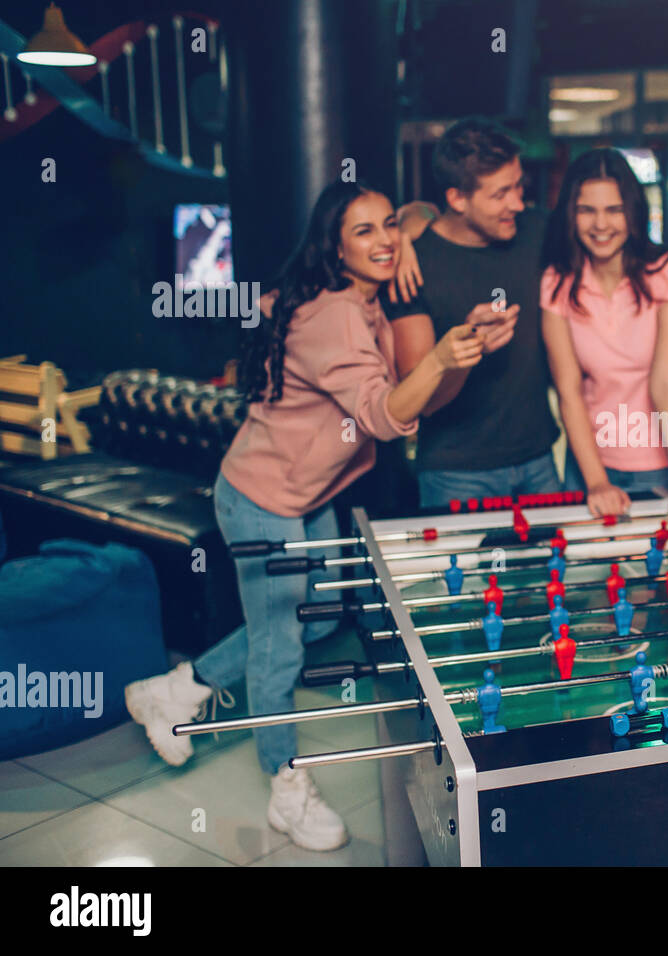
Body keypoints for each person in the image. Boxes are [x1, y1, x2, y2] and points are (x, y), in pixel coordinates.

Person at [125, 180, 483, 851]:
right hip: (262, 497)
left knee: (311, 621)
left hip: (307, 492)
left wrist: (405, 231)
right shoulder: (335, 316)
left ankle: (178, 690)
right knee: (280, 643)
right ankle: (284, 786)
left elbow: (423, 212)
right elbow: (380, 415)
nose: (384, 240)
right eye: (364, 232)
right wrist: (438, 357)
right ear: (334, 247)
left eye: (387, 226)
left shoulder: (354, 293)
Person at [386, 117, 668, 510]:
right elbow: (418, 399)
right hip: (457, 471)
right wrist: (404, 230)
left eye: (518, 187)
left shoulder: (536, 231)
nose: (518, 203)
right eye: (501, 193)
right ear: (457, 199)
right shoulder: (415, 266)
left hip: (537, 461)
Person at [539, 148, 668, 518]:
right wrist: (596, 482)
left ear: (633, 212)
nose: (601, 224)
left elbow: (667, 381)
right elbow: (568, 391)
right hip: (589, 462)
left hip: (664, 461)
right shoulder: (557, 282)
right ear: (571, 213)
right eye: (587, 210)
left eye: (614, 209)